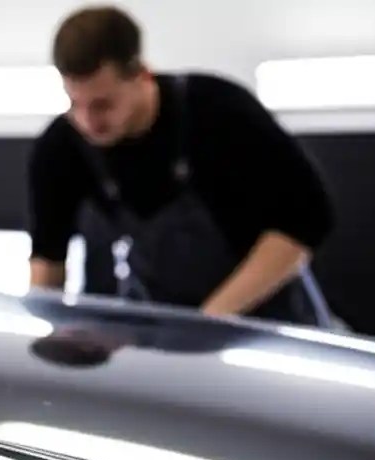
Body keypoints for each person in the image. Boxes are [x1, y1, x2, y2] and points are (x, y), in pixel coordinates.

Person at [26, 5, 335, 325]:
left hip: (269, 322)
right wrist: (40, 336)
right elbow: (48, 261)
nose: (87, 122)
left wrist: (208, 322)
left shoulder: (219, 111)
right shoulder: (60, 148)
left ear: (142, 74)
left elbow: (306, 222)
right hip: (162, 325)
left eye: (103, 105)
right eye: (74, 103)